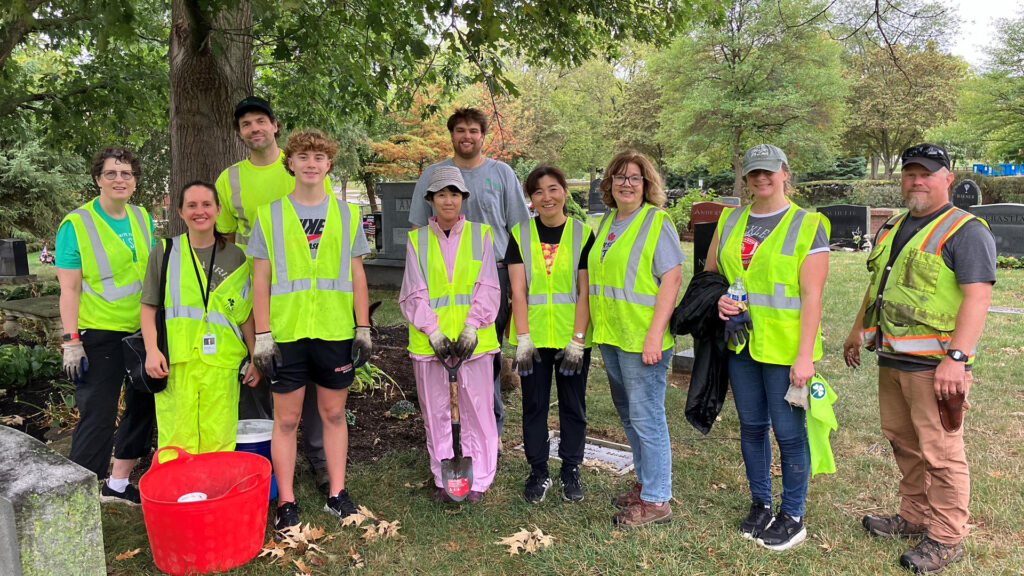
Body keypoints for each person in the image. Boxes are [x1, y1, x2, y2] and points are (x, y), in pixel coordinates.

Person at [843, 143, 995, 573]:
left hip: (935, 366)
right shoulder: (894, 225)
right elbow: (879, 287)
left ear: (947, 177)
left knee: (942, 453)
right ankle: (914, 515)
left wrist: (957, 358)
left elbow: (978, 297)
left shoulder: (965, 230)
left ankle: (947, 537)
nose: (917, 180)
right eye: (910, 173)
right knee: (903, 441)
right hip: (892, 358)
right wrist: (858, 329)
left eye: (927, 173)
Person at [704, 144, 830, 551]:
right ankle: (761, 503)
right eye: (754, 173)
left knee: (789, 433)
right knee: (752, 428)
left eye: (769, 172)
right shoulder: (730, 219)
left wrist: (804, 357)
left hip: (785, 351)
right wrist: (720, 298)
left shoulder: (807, 224)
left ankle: (792, 514)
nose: (761, 179)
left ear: (784, 173)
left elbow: (812, 296)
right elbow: (711, 277)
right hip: (741, 346)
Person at [247, 129, 372, 531]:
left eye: (319, 156)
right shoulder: (269, 215)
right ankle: (286, 502)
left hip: (335, 331)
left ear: (329, 164)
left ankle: (337, 494)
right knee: (285, 420)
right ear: (291, 163)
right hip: (286, 334)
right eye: (303, 156)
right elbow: (260, 279)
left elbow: (356, 273)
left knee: (334, 414)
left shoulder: (348, 214)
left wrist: (363, 326)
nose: (312, 163)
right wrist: (262, 334)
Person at [215, 95, 334, 493]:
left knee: (315, 382)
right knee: (261, 375)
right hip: (255, 292)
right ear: (239, 133)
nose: (255, 129)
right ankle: (264, 464)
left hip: (307, 297)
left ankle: (319, 460)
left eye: (260, 121)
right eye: (246, 124)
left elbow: (326, 229)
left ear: (275, 125)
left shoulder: (303, 162)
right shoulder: (230, 179)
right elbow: (228, 240)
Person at [408, 108, 531, 442]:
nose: (467, 136)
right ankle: (449, 434)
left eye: (474, 130)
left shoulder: (501, 174)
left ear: (482, 135)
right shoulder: (434, 174)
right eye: (460, 130)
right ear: (451, 135)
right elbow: (420, 231)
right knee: (440, 359)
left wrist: (520, 282)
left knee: (484, 354)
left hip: (494, 279)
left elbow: (520, 230)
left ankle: (488, 430)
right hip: (441, 285)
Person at [55, 146, 156, 504]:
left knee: (143, 405)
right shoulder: (76, 224)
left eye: (126, 173)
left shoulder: (143, 218)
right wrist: (71, 341)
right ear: (98, 178)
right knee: (98, 413)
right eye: (111, 173)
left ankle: (117, 485)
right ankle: (78, 498)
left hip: (142, 330)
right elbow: (69, 288)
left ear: (134, 181)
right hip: (99, 335)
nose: (119, 179)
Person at [589, 150, 684, 528]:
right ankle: (646, 484)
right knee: (630, 417)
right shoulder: (608, 221)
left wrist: (654, 336)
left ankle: (658, 499)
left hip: (643, 338)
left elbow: (672, 280)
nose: (626, 184)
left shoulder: (656, 222)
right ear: (609, 183)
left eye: (635, 178)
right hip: (613, 336)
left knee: (647, 418)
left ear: (647, 185)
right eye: (620, 177)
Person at [400, 166, 501, 504]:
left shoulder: (482, 235)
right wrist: (434, 333)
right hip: (432, 345)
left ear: (463, 198)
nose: (448, 200)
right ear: (430, 199)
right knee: (437, 412)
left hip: (475, 342)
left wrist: (473, 325)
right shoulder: (416, 240)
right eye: (441, 194)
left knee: (478, 411)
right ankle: (445, 479)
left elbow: (488, 284)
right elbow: (414, 291)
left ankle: (480, 480)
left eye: (454, 193)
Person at [140, 181, 260, 459]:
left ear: (218, 209)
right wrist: (151, 350)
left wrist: (255, 357)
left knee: (219, 437)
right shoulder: (165, 251)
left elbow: (244, 314)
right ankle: (180, 497)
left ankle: (214, 496)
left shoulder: (235, 257)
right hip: (176, 362)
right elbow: (148, 306)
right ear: (180, 212)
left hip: (222, 364)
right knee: (176, 439)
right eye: (191, 205)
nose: (200, 211)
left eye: (206, 204)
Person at [507, 165, 595, 504]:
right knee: (534, 405)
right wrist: (523, 338)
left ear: (564, 192)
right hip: (534, 340)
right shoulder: (520, 234)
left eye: (553, 188)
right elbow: (518, 290)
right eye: (539, 191)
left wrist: (577, 339)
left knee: (574, 405)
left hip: (572, 340)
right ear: (531, 198)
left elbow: (584, 292)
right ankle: (538, 470)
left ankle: (571, 468)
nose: (547, 197)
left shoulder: (582, 234)